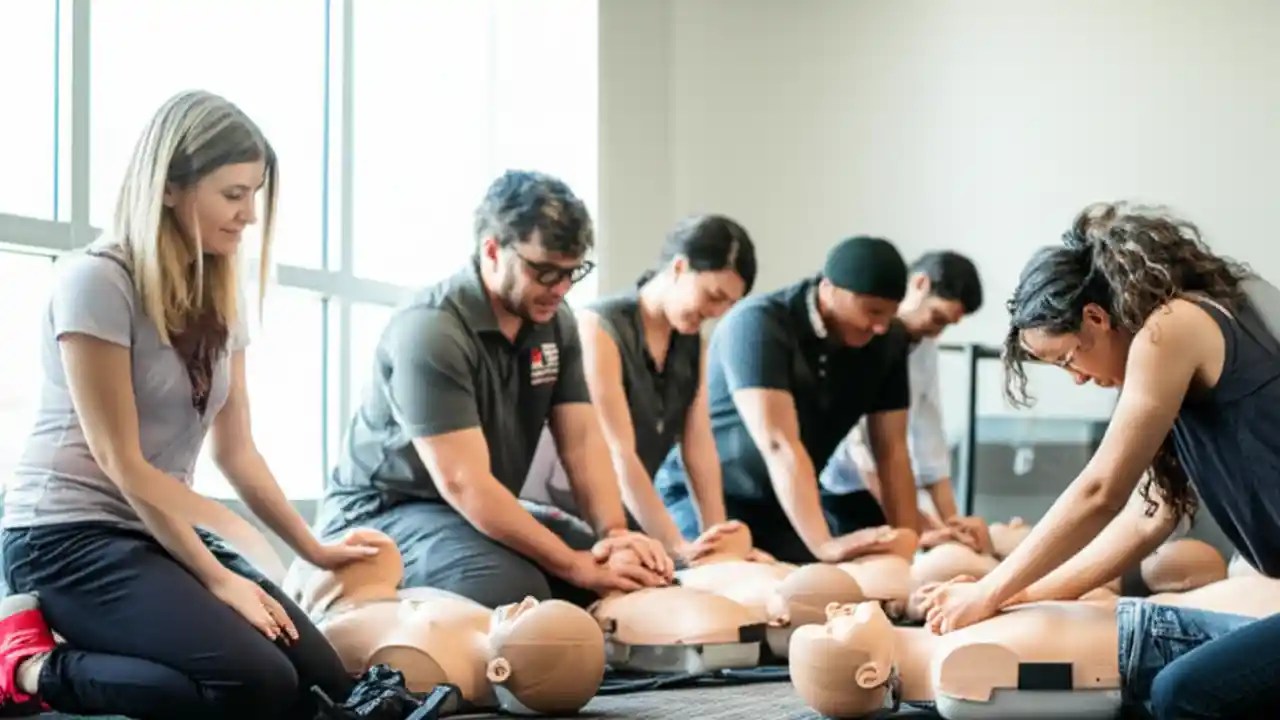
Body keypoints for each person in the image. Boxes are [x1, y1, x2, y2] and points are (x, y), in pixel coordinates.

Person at [0, 90, 367, 719]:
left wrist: (314, 549)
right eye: (233, 193)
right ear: (169, 187)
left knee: (322, 683)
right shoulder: (97, 281)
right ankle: (29, 666)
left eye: (255, 193)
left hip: (155, 530)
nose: (250, 214)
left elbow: (237, 451)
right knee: (257, 686)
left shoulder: (220, 293)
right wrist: (221, 577)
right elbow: (121, 462)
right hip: (64, 535)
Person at [921, 201, 1280, 717]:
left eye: (1069, 357)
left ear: (1095, 315)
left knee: (1181, 692)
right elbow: (1147, 517)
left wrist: (988, 590)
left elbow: (1101, 491)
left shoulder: (1173, 327)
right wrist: (1023, 594)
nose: (1078, 378)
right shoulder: (1175, 344)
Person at [308, 170, 672, 610]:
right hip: (383, 513)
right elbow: (465, 483)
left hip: (461, 514)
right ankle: (345, 600)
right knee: (518, 590)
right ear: (493, 251)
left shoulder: (556, 323)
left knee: (634, 572)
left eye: (571, 273)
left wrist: (613, 535)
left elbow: (581, 442)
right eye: (543, 272)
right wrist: (576, 567)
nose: (559, 288)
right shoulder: (430, 330)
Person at [656, 235, 922, 564]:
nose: (880, 326)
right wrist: (825, 545)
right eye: (872, 311)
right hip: (702, 501)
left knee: (830, 586)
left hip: (785, 508)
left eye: (890, 315)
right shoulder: (759, 323)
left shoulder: (889, 340)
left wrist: (909, 549)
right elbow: (779, 443)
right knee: (731, 590)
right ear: (828, 289)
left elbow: (892, 451)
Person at [522, 214, 766, 563]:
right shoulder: (599, 328)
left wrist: (718, 538)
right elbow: (617, 452)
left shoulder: (692, 342)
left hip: (629, 513)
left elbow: (699, 447)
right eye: (713, 296)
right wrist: (677, 546)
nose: (716, 312)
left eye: (728, 305)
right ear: (679, 268)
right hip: (567, 508)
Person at [820, 251, 987, 545]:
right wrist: (914, 524)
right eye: (937, 317)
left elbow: (929, 439)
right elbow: (859, 449)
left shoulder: (923, 347)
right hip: (836, 491)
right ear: (920, 284)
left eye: (946, 325)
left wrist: (953, 523)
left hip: (883, 490)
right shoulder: (861, 336)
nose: (936, 331)